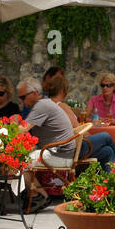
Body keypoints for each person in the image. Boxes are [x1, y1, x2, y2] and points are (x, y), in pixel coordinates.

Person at [16, 78, 78, 212]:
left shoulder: (41, 105)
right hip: (60, 151)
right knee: (22, 155)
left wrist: (4, 130)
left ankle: (39, 196)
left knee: (19, 160)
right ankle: (36, 194)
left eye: (22, 97)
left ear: (34, 93)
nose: (21, 101)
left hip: (59, 153)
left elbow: (22, 129)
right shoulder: (44, 104)